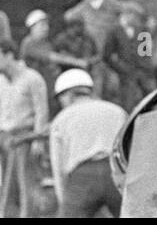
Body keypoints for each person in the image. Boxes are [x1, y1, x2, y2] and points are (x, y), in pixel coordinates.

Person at [47, 68, 125, 217]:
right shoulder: (117, 111)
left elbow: (58, 167)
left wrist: (64, 201)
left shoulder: (61, 120)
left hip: (82, 177)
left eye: (60, 98)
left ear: (68, 95)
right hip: (116, 173)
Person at [0, 38, 50, 218]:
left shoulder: (33, 78)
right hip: (4, 138)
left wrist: (38, 141)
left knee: (26, 183)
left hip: (25, 137)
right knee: (2, 184)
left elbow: (41, 111)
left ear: (9, 56)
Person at [100, 2, 155, 112]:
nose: (137, 20)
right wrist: (121, 68)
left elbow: (146, 52)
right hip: (126, 74)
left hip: (143, 73)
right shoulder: (113, 31)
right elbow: (107, 56)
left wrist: (146, 69)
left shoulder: (142, 30)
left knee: (152, 101)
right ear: (128, 15)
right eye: (135, 16)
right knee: (128, 104)